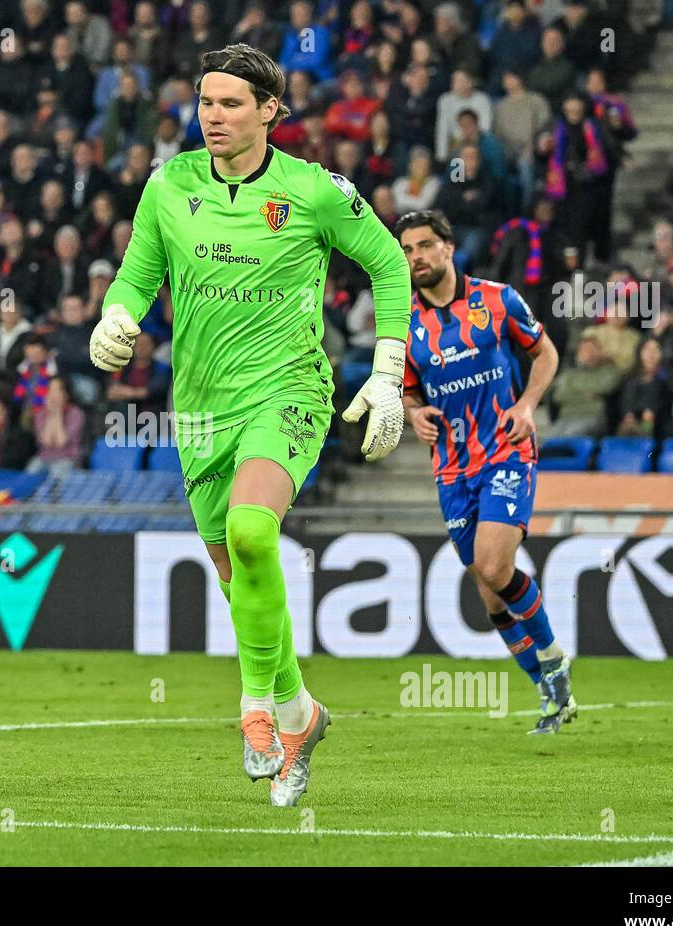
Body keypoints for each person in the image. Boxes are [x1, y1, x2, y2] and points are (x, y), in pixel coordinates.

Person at [93, 45, 410, 806]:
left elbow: (390, 264)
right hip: (199, 410)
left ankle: (256, 711)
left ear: (271, 110)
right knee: (241, 585)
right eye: (205, 102)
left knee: (252, 533)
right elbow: (140, 273)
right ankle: (302, 713)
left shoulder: (313, 191)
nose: (213, 116)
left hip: (289, 391)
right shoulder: (169, 185)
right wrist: (116, 314)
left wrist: (389, 371)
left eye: (231, 103)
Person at [395, 209, 574, 734]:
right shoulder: (403, 324)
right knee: (488, 589)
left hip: (505, 449)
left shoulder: (497, 299)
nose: (416, 258)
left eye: (425, 246)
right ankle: (546, 690)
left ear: (449, 248)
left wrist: (527, 404)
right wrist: (412, 411)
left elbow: (544, 354)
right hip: (451, 469)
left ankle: (554, 659)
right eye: (407, 251)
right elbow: (407, 386)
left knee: (495, 566)